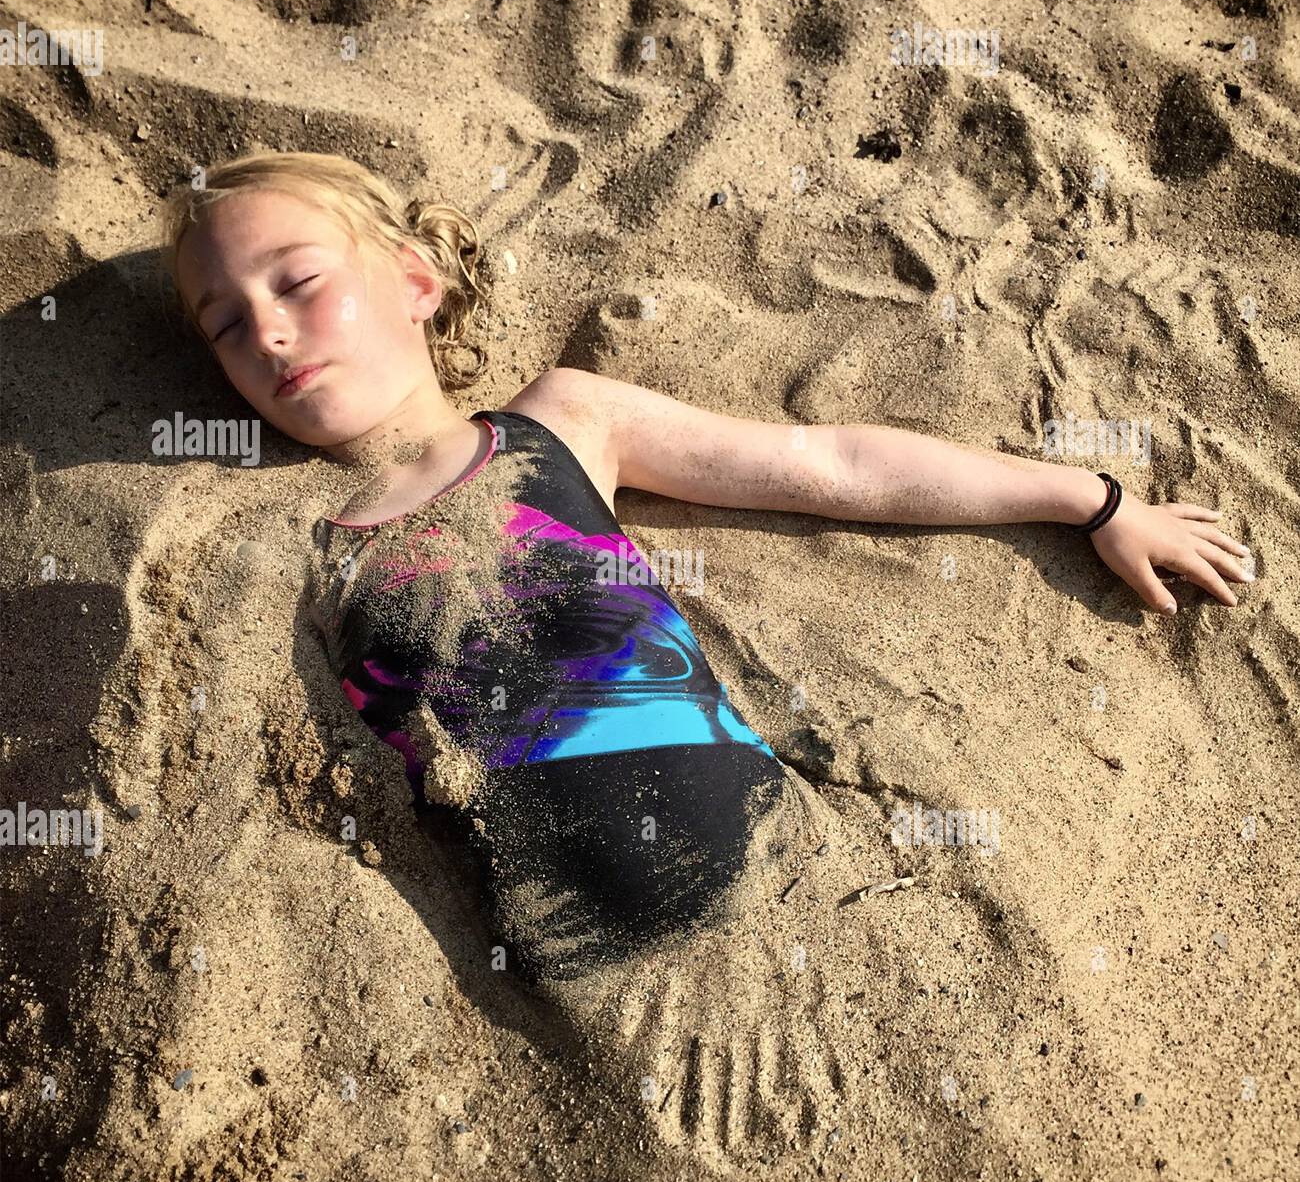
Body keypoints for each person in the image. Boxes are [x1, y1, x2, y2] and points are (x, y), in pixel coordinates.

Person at [162, 151, 1252, 999]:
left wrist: (1090, 500)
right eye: (226, 326)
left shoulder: (559, 423)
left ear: (414, 279)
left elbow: (828, 464)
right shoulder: (294, 558)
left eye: (298, 281)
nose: (269, 331)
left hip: (797, 879)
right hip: (569, 983)